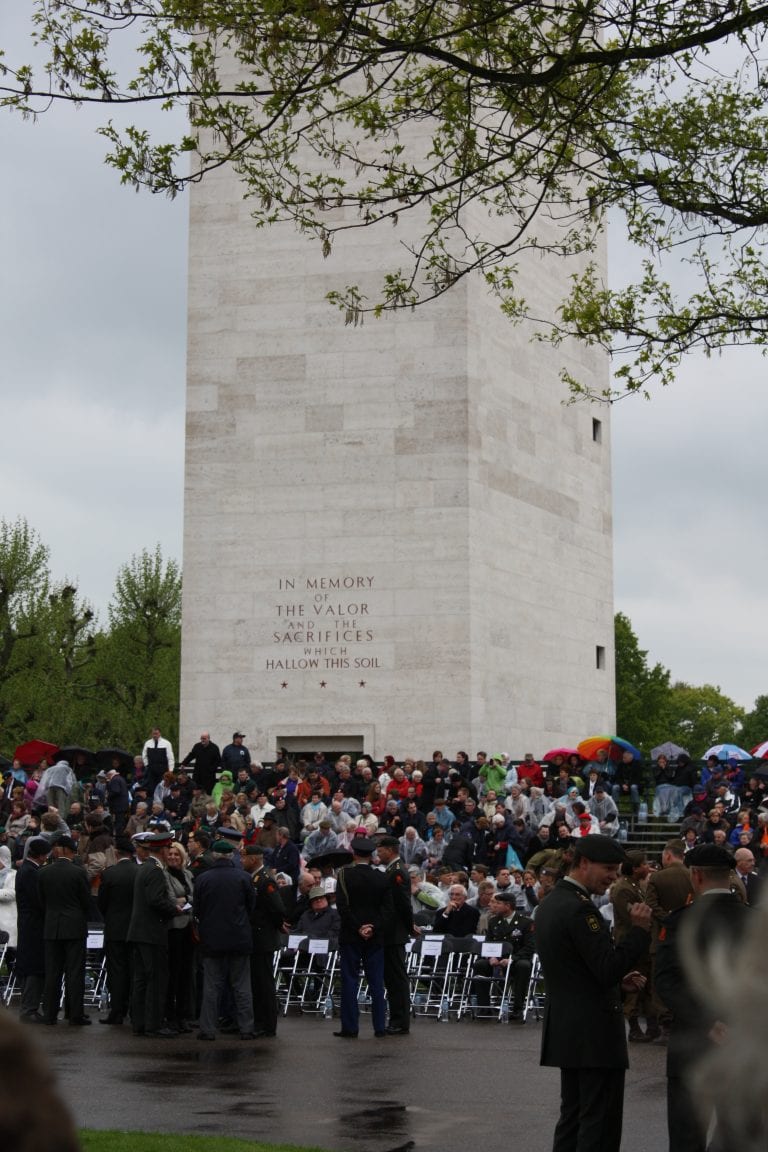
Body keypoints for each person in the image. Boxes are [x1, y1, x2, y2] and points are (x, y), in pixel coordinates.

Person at [535, 835, 653, 1152]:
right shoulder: (580, 910)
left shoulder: (551, 903)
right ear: (583, 863)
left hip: (569, 1029)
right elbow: (605, 967)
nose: (614, 876)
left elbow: (578, 969)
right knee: (598, 1124)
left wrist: (616, 982)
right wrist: (639, 931)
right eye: (609, 868)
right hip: (594, 1034)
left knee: (572, 1118)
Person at [655, 844, 754, 1152]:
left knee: (687, 1136)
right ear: (729, 875)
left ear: (695, 876)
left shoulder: (679, 921)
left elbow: (666, 981)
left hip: (692, 1041)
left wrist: (707, 1021)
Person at [193, 839, 257, 1041]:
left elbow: (197, 909)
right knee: (242, 986)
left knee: (212, 986)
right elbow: (250, 907)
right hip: (239, 937)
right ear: (232, 856)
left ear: (214, 856)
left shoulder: (203, 879)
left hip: (212, 939)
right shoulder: (244, 878)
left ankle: (208, 1029)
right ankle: (247, 1028)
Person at [334, 836, 393, 1038]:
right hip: (375, 937)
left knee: (350, 980)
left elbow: (343, 907)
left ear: (354, 853)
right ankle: (379, 1026)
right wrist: (372, 928)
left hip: (351, 935)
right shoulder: (382, 877)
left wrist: (359, 927)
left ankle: (350, 1027)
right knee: (376, 982)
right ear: (371, 855)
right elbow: (387, 909)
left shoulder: (344, 875)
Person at [126, 830, 182, 1038]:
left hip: (139, 932)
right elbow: (156, 900)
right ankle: (153, 1024)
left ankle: (140, 1022)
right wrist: (174, 908)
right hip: (152, 932)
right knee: (156, 979)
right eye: (168, 849)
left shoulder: (144, 868)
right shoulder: (156, 871)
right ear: (164, 850)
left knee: (141, 979)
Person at [37, 835, 92, 1026]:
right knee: (74, 972)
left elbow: (41, 902)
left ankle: (49, 1013)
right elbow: (86, 901)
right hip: (74, 927)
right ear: (70, 851)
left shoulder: (43, 873)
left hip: (52, 926)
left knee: (52, 972)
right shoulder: (78, 873)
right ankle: (74, 1013)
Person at [242, 844, 286, 1038]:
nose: (242, 860)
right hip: (256, 938)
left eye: (244, 857)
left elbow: (277, 908)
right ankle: (259, 1021)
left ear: (254, 859)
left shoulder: (265, 880)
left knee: (264, 983)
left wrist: (276, 926)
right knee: (257, 983)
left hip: (263, 937)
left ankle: (267, 1024)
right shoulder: (254, 878)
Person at [376, 834, 417, 1036]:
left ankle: (400, 1021)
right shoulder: (392, 870)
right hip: (390, 932)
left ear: (390, 850)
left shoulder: (397, 871)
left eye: (380, 849)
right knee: (392, 979)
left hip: (394, 932)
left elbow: (403, 904)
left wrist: (410, 926)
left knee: (397, 979)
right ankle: (396, 1019)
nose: (378, 852)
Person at [472, 890, 534, 1020]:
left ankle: (517, 1009)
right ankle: (484, 1007)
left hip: (516, 959)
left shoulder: (525, 922)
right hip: (497, 958)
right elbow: (488, 943)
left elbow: (529, 947)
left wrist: (511, 959)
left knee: (524, 966)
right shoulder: (494, 921)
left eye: (498, 903)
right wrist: (490, 957)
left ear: (508, 905)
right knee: (480, 965)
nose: (495, 905)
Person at [96, 836, 138, 1025]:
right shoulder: (139, 872)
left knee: (116, 971)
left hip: (114, 928)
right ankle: (135, 1009)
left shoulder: (110, 874)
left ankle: (118, 1011)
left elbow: (102, 903)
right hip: (136, 928)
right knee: (135, 970)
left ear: (117, 852)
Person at [14, 837, 50, 1023]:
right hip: (34, 926)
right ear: (41, 855)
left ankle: (30, 1008)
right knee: (34, 967)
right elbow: (38, 900)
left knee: (30, 966)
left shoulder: (26, 869)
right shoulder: (31, 872)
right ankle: (29, 1009)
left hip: (29, 924)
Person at [141, 728, 175, 798]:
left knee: (162, 787)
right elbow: (144, 755)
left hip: (163, 769)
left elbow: (170, 757)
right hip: (151, 769)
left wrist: (170, 770)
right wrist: (146, 765)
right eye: (153, 733)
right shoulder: (148, 743)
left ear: (160, 733)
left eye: (156, 733)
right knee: (151, 787)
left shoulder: (166, 743)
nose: (154, 735)